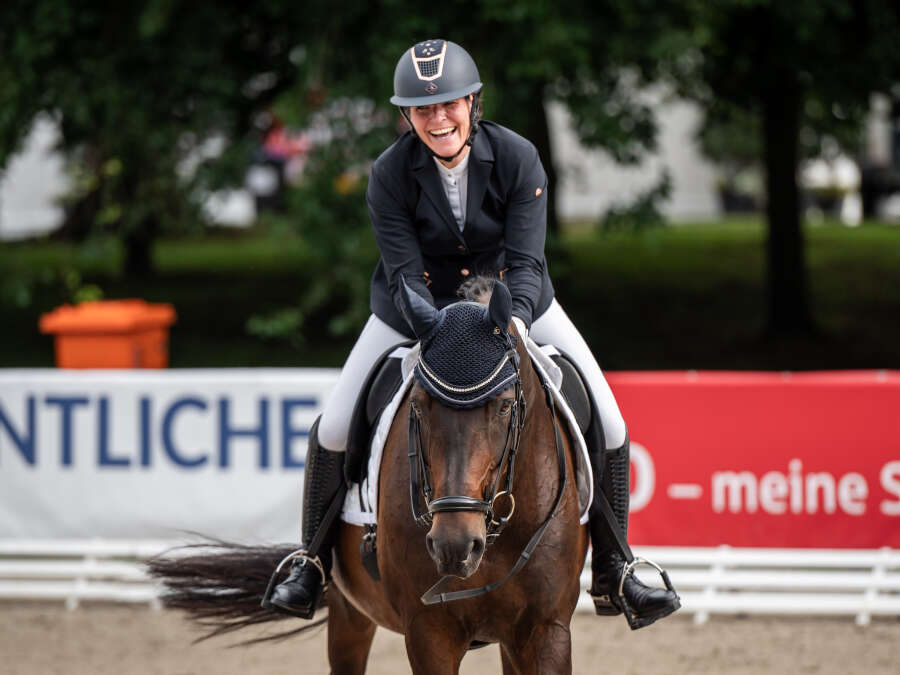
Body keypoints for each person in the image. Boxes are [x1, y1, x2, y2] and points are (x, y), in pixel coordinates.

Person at [269, 39, 680, 629]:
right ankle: (309, 560)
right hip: (416, 309)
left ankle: (616, 568)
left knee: (611, 420)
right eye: (422, 110)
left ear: (471, 103)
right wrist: (433, 327)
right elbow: (405, 273)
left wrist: (507, 325)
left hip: (513, 304)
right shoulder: (389, 174)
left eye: (448, 105)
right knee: (335, 423)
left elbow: (528, 263)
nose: (437, 119)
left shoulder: (518, 158)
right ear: (406, 116)